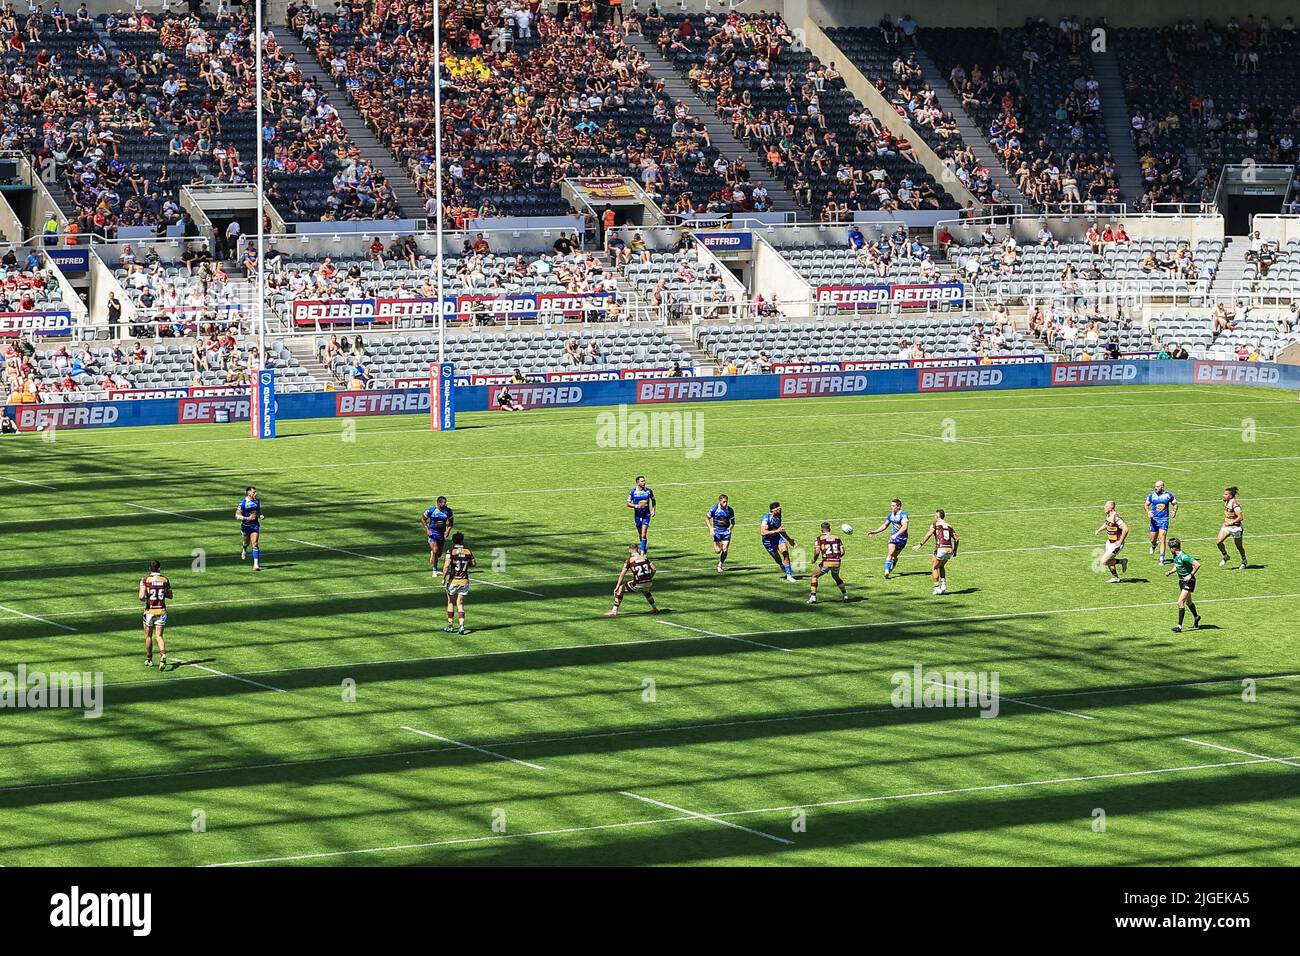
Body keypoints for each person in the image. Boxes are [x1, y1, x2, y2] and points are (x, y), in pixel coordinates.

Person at [604, 545, 659, 616]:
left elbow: (622, 574)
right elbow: (654, 569)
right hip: (649, 582)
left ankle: (614, 611)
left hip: (638, 583)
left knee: (620, 589)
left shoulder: (629, 560)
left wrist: (617, 586)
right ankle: (655, 608)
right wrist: (650, 577)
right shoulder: (644, 558)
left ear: (630, 550)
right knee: (645, 590)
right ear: (637, 550)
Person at [913, 510, 959, 595]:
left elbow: (928, 534)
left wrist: (920, 544)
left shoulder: (935, 525)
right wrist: (955, 550)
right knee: (941, 566)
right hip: (949, 550)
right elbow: (957, 539)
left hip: (941, 549)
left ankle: (937, 588)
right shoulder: (949, 526)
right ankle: (943, 584)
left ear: (937, 516)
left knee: (934, 567)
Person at [139, 560, 173, 669]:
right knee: (159, 636)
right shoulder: (165, 579)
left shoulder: (145, 580)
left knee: (148, 636)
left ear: (150, 569)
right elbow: (170, 595)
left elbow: (141, 596)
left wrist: (147, 596)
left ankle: (149, 659)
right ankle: (163, 655)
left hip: (150, 611)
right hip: (161, 610)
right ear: (159, 568)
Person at [1164, 538, 1202, 633]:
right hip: (1181, 581)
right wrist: (1170, 572)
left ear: (1173, 548)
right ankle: (1196, 617)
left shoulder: (1184, 556)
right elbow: (1177, 566)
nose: (1169, 550)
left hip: (1189, 581)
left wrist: (1190, 575)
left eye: (1170, 548)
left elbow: (1197, 564)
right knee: (1189, 602)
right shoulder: (1175, 556)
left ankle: (1179, 626)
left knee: (1180, 602)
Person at [441, 532, 476, 634]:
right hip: (464, 580)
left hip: (453, 580)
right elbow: (473, 563)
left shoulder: (451, 551)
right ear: (462, 540)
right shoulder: (468, 551)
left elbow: (446, 566)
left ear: (453, 540)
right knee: (460, 603)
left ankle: (450, 625)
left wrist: (443, 577)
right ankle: (461, 626)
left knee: (450, 602)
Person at [807, 522, 848, 604]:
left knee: (814, 575)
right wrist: (835, 557)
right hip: (837, 562)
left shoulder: (819, 538)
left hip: (827, 562)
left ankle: (813, 597)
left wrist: (814, 560)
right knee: (836, 577)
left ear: (822, 529)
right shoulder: (837, 537)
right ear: (830, 528)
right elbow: (843, 552)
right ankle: (845, 595)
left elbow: (817, 551)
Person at [866, 499, 908, 578]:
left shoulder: (903, 515)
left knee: (895, 556)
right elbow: (885, 525)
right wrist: (874, 532)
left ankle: (893, 562)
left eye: (893, 506)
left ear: (898, 507)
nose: (891, 507)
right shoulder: (891, 515)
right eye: (891, 505)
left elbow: (905, 527)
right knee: (891, 552)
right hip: (893, 537)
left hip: (902, 539)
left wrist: (897, 534)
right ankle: (886, 571)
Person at [760, 502, 797, 582]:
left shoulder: (779, 515)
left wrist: (789, 540)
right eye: (779, 509)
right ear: (774, 510)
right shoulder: (766, 518)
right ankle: (781, 565)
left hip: (777, 538)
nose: (781, 510)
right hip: (768, 541)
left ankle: (789, 575)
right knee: (777, 558)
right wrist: (777, 530)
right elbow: (763, 532)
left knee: (785, 553)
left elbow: (780, 530)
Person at [1094, 499, 1129, 582]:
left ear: (1111, 507)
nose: (1104, 507)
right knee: (1109, 560)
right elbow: (1107, 524)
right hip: (1109, 542)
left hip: (1116, 544)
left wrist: (1120, 541)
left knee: (1104, 561)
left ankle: (1122, 561)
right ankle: (1116, 578)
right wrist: (1099, 530)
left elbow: (1126, 529)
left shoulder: (1116, 517)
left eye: (1106, 506)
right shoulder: (1108, 516)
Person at [1144, 480, 1178, 565]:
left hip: (1164, 520)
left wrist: (1174, 511)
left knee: (1162, 538)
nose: (1156, 488)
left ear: (1162, 487)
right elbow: (1146, 504)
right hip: (1154, 520)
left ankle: (1161, 559)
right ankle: (1154, 545)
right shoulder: (1152, 495)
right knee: (1152, 539)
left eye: (1158, 486)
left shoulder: (1168, 495)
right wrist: (1148, 511)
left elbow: (1175, 503)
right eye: (1155, 486)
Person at [1215, 486, 1246, 569]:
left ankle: (1244, 561)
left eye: (1226, 494)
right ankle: (1226, 556)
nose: (1223, 495)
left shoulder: (1234, 504)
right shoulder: (1226, 502)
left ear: (1230, 496)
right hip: (1227, 527)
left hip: (1236, 528)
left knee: (1239, 546)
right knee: (1218, 542)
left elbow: (1240, 517)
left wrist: (1231, 522)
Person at [422, 496, 454, 570]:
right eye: (444, 503)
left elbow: (451, 523)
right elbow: (423, 519)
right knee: (435, 550)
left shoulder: (448, 511)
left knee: (439, 554)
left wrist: (448, 530)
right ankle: (434, 570)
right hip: (432, 533)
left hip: (441, 534)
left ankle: (433, 553)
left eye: (445, 502)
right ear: (438, 503)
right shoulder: (431, 510)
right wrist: (427, 530)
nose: (445, 504)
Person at [627, 475, 655, 554]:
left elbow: (653, 500)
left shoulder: (648, 491)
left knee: (643, 534)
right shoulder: (633, 492)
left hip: (646, 515)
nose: (644, 482)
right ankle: (644, 547)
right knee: (640, 534)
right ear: (637, 482)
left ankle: (642, 553)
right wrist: (636, 506)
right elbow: (628, 503)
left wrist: (653, 509)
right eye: (642, 481)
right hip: (638, 516)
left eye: (644, 481)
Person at [236, 485, 262, 571]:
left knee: (255, 543)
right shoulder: (243, 503)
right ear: (249, 493)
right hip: (246, 526)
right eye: (254, 492)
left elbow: (258, 511)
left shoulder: (257, 501)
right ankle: (244, 549)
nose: (255, 493)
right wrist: (247, 518)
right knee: (246, 542)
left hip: (255, 526)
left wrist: (260, 515)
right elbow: (237, 515)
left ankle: (256, 565)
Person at [706, 493, 735, 572]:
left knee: (725, 549)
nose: (725, 503)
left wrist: (730, 527)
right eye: (724, 502)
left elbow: (733, 522)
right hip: (717, 532)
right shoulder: (714, 509)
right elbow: (707, 518)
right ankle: (719, 545)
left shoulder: (730, 510)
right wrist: (711, 529)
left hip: (726, 532)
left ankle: (720, 565)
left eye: (726, 502)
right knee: (718, 551)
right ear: (720, 501)